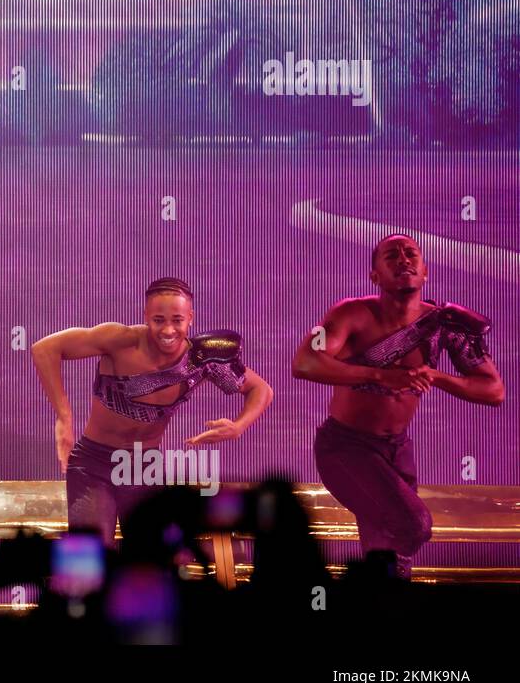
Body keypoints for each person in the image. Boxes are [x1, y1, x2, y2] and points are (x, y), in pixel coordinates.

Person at [292, 233, 504, 579]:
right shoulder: (350, 314)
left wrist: (438, 377)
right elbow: (304, 363)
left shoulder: (443, 325)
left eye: (411, 254)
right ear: (374, 275)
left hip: (397, 451)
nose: (403, 260)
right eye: (391, 256)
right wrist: (380, 376)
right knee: (413, 526)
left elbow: (494, 390)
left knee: (387, 552)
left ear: (425, 272)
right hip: (345, 449)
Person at [32, 277, 272, 546]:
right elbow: (45, 349)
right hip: (93, 463)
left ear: (190, 318)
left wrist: (239, 426)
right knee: (90, 562)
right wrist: (64, 417)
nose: (168, 330)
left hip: (145, 467)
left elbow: (261, 390)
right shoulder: (119, 340)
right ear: (146, 316)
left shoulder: (201, 361)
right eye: (159, 320)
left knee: (150, 563)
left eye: (177, 320)